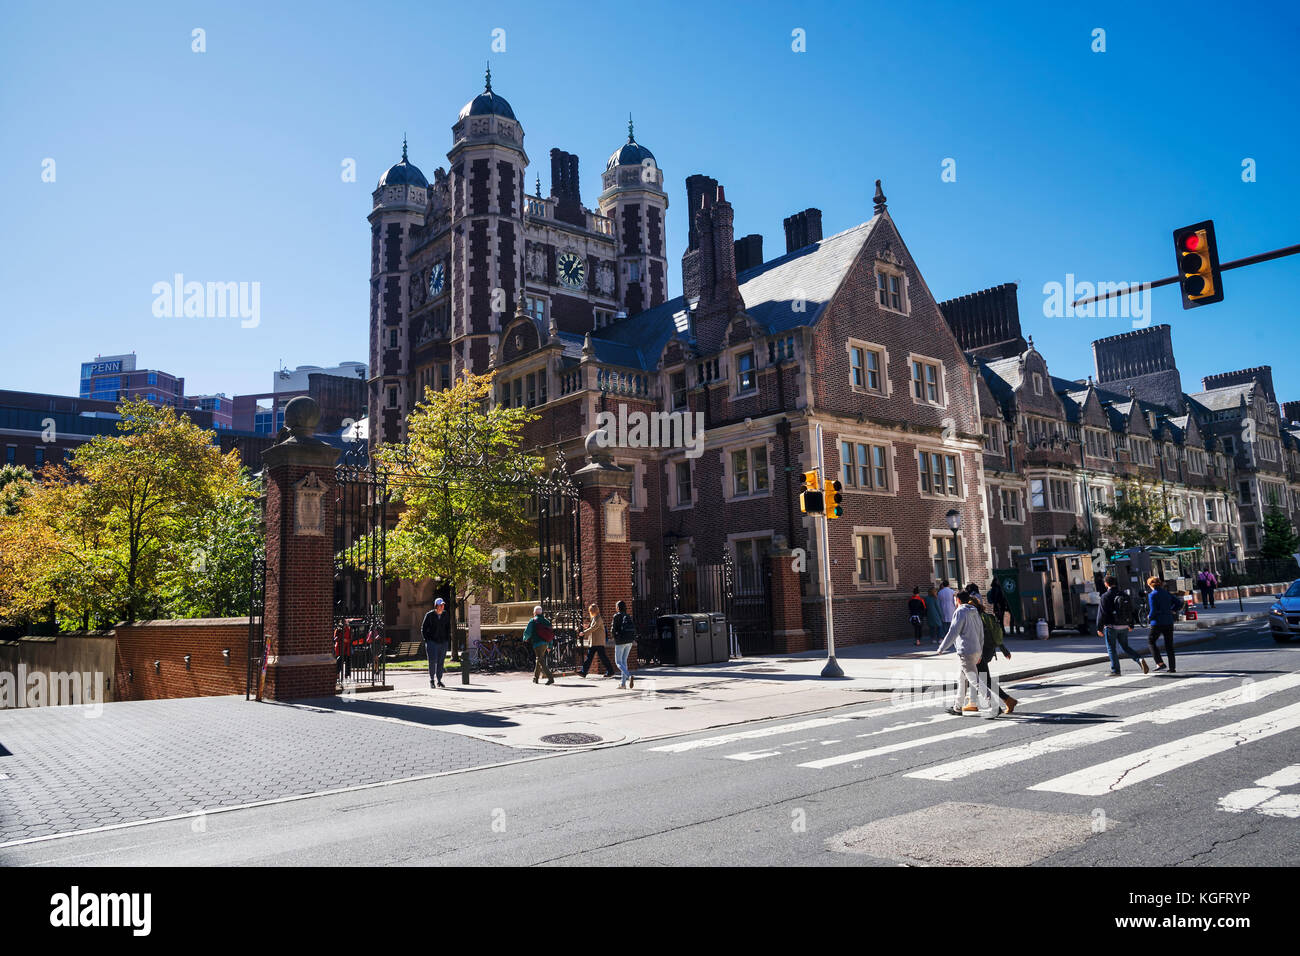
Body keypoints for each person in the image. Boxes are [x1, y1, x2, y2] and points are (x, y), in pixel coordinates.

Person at [935, 590, 999, 719]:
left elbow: (953, 632)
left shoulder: (960, 612)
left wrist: (942, 648)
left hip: (966, 651)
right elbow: (981, 632)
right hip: (975, 650)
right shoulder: (974, 611)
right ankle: (957, 707)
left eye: (955, 600)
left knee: (974, 680)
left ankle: (994, 704)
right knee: (962, 679)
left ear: (958, 600)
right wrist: (980, 651)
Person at [967, 594, 1017, 714]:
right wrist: (1003, 649)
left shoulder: (976, 618)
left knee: (984, 679)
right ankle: (972, 702)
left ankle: (1008, 700)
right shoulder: (984, 616)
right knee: (974, 676)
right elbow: (994, 635)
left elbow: (981, 636)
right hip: (988, 651)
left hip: (980, 652)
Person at [1096, 576, 1149, 675]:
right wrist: (1131, 624)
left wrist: (1099, 628)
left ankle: (1116, 670)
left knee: (1111, 648)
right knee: (1125, 646)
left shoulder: (1105, 596)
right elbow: (1130, 610)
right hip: (1124, 625)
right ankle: (1139, 659)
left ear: (1106, 584)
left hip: (1111, 626)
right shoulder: (1124, 595)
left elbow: (1102, 613)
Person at [1146, 576, 1179, 673]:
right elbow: (1178, 603)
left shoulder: (1152, 595)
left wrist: (1149, 617)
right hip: (1168, 621)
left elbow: (1153, 610)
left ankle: (1160, 663)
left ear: (1150, 585)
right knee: (1169, 645)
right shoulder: (1166, 593)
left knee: (1151, 641)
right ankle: (1172, 667)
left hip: (1157, 622)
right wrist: (1172, 610)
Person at [578, 603, 616, 678]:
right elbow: (593, 628)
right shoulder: (595, 618)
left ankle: (610, 671)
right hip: (594, 642)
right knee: (590, 657)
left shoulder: (598, 618)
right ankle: (584, 672)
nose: (590, 612)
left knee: (602, 657)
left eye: (591, 611)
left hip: (598, 642)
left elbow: (593, 628)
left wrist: (584, 632)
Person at [422, 598, 451, 688]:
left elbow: (448, 627)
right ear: (436, 606)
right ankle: (431, 680)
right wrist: (427, 640)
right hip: (432, 642)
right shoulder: (429, 615)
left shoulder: (445, 614)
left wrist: (447, 639)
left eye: (443, 605)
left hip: (443, 642)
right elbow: (423, 628)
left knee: (440, 662)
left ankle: (439, 680)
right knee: (432, 661)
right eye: (440, 605)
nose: (442, 606)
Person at [523, 605, 555, 685]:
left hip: (537, 643)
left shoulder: (533, 620)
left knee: (541, 660)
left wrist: (525, 638)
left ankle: (550, 678)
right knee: (538, 659)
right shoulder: (547, 621)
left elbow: (527, 632)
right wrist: (550, 646)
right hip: (545, 643)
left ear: (534, 613)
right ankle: (535, 678)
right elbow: (550, 634)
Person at [610, 600, 637, 689]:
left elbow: (613, 630)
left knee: (618, 662)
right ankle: (623, 684)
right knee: (624, 662)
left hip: (620, 641)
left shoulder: (616, 616)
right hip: (629, 641)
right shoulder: (628, 616)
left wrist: (614, 637)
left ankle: (629, 676)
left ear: (618, 608)